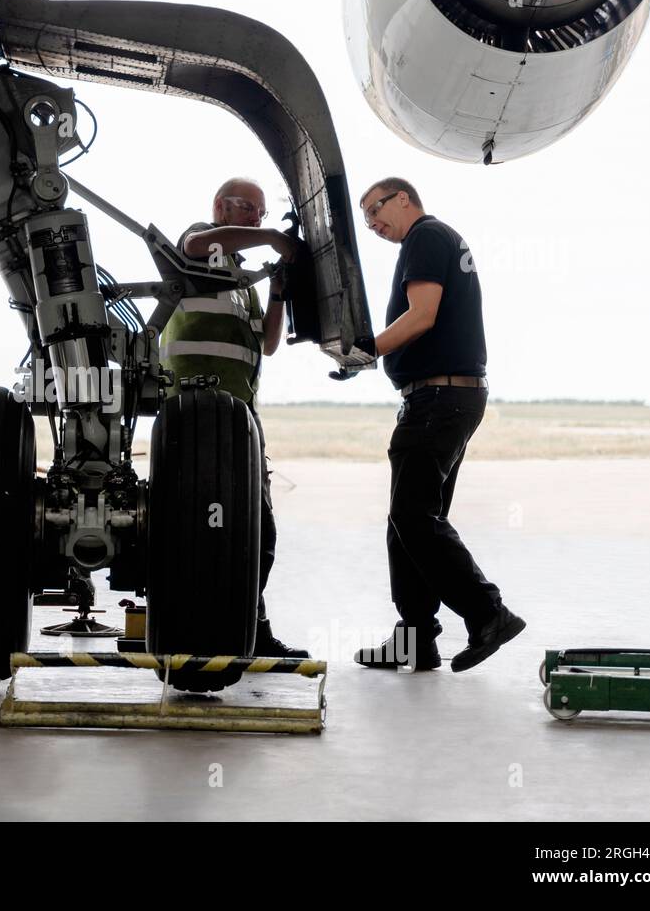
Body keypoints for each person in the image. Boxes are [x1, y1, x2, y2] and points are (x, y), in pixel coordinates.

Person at [347, 177, 524, 672]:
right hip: (449, 396)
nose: (373, 223)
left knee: (412, 517)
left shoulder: (426, 236)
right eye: (366, 218)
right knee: (411, 519)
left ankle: (488, 612)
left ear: (403, 198)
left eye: (376, 209)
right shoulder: (439, 239)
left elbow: (422, 316)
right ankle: (416, 640)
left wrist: (364, 352)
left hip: (439, 397)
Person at [162, 176, 307, 658]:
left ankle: (252, 626)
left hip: (239, 421)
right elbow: (195, 244)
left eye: (261, 217)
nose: (255, 220)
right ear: (223, 205)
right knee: (197, 529)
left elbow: (267, 343)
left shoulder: (242, 283)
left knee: (257, 531)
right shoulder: (204, 247)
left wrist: (279, 292)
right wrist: (272, 239)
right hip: (198, 418)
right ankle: (189, 627)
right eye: (249, 211)